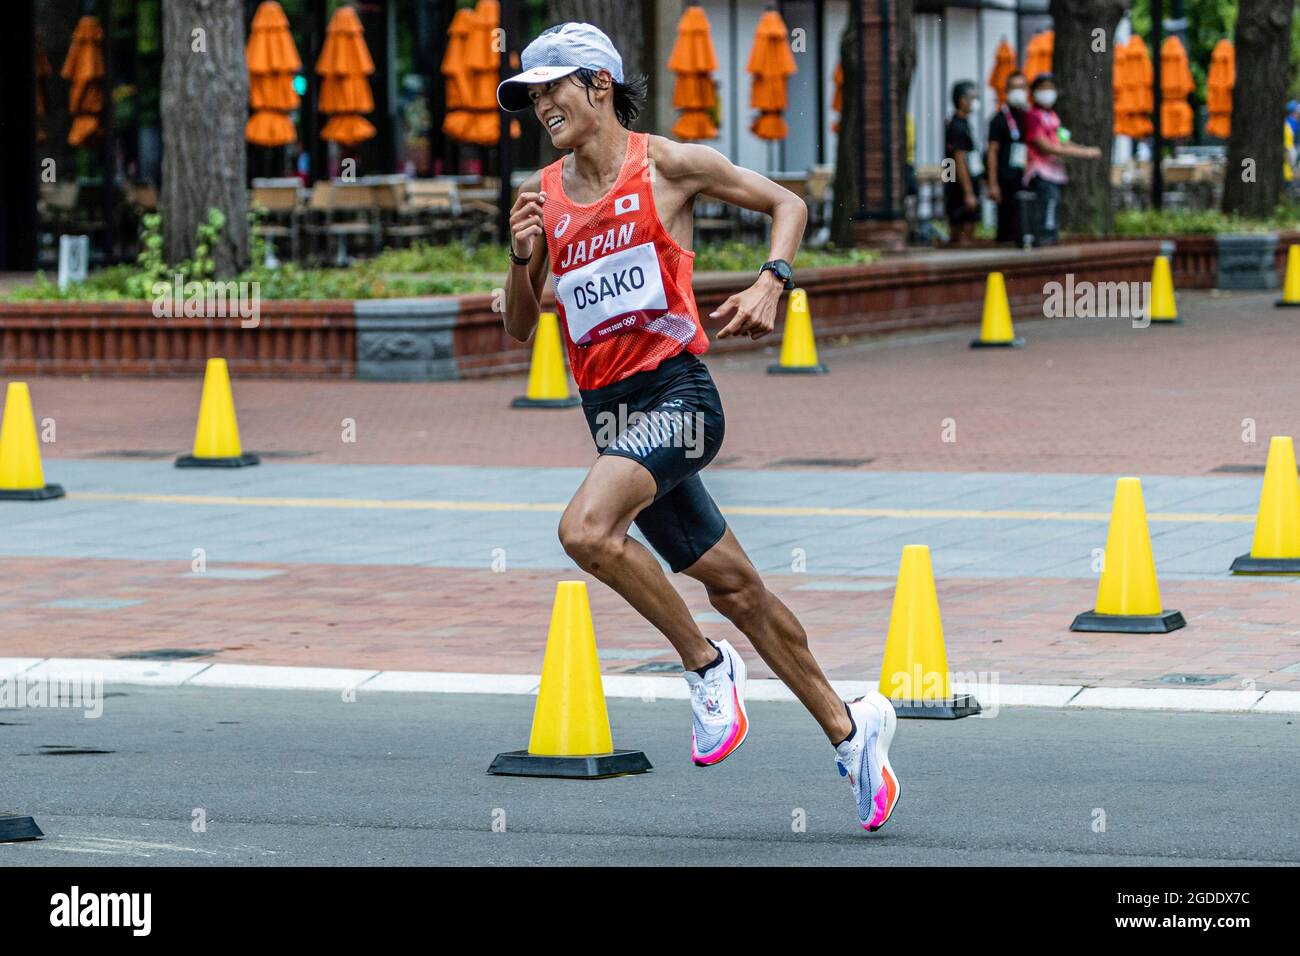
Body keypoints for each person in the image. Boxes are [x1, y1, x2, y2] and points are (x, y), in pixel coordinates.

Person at [498, 22, 900, 832]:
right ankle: (853, 729)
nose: (541, 105)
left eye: (553, 88)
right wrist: (520, 256)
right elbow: (517, 328)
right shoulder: (544, 192)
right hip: (613, 422)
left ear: (598, 86)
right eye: (530, 95)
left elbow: (788, 203)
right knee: (738, 588)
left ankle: (707, 667)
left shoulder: (667, 165)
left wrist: (771, 282)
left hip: (680, 401)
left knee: (585, 531)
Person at [1022, 73, 1103, 245]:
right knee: (1046, 206)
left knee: (1054, 204)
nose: (1047, 92)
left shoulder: (1052, 116)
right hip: (1040, 170)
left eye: (1050, 88)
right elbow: (1044, 145)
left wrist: (1085, 150)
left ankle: (1050, 238)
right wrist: (1082, 154)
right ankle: (1042, 240)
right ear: (1034, 92)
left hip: (1055, 172)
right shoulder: (1033, 115)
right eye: (1043, 88)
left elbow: (1063, 142)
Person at [986, 71, 1030, 244]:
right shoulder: (999, 119)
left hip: (1025, 176)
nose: (1018, 91)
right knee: (1006, 224)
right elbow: (992, 151)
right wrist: (992, 183)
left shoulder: (1028, 116)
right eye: (1014, 87)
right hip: (1005, 179)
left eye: (1021, 87)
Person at [944, 80, 982, 245]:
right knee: (963, 231)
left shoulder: (964, 123)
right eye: (973, 98)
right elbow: (958, 160)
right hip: (959, 186)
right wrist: (968, 192)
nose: (975, 102)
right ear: (962, 100)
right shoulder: (957, 126)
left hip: (963, 181)